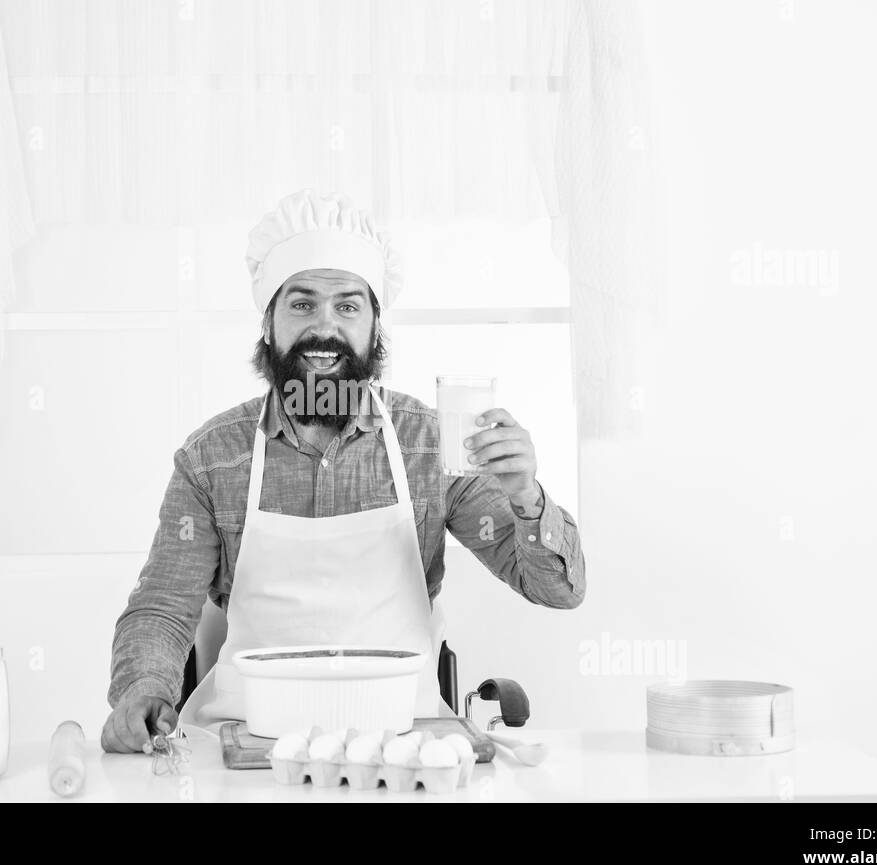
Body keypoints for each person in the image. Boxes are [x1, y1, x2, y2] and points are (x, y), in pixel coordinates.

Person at [101, 189, 586, 753]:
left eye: (348, 306)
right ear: (269, 322)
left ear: (376, 327)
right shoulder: (211, 460)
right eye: (302, 304)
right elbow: (162, 606)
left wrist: (526, 495)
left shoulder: (430, 444)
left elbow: (558, 591)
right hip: (249, 749)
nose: (324, 327)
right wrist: (143, 691)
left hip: (402, 749)